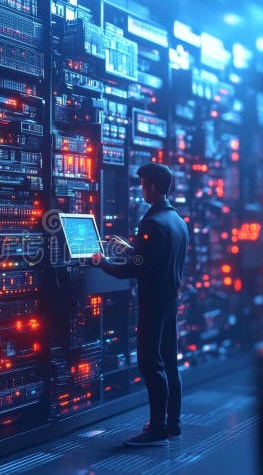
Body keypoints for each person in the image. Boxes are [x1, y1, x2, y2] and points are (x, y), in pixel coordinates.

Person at [92, 163, 189, 447]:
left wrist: (102, 262)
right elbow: (151, 257)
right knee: (170, 362)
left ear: (153, 187)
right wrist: (129, 248)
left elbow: (134, 269)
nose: (141, 189)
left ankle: (156, 430)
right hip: (170, 301)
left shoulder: (152, 222)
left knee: (150, 363)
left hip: (152, 303)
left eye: (143, 184)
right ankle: (172, 424)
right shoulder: (177, 222)